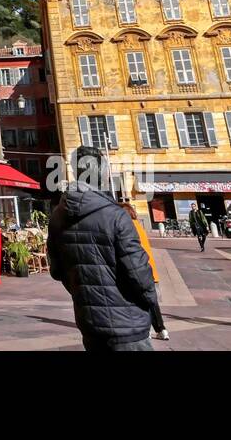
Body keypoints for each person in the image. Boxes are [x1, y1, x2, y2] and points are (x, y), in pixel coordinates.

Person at [48, 147, 156, 352]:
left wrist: (85, 293)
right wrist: (150, 302)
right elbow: (140, 275)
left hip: (89, 322)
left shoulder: (57, 217)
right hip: (128, 323)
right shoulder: (116, 216)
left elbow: (57, 271)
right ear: (100, 172)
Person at [119, 202, 169, 341]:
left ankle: (145, 331)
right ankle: (161, 329)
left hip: (137, 269)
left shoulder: (125, 227)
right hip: (149, 269)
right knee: (152, 301)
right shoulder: (139, 226)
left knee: (138, 302)